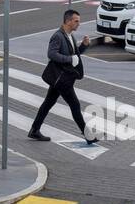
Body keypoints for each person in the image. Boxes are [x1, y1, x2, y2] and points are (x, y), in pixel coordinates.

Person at [29, 8, 97, 145]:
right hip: (62, 79)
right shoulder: (58, 36)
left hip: (61, 78)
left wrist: (83, 46)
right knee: (75, 105)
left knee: (48, 103)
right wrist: (69, 59)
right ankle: (88, 136)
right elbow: (51, 54)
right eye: (76, 21)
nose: (79, 24)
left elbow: (74, 55)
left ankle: (34, 130)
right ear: (68, 21)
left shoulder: (70, 36)